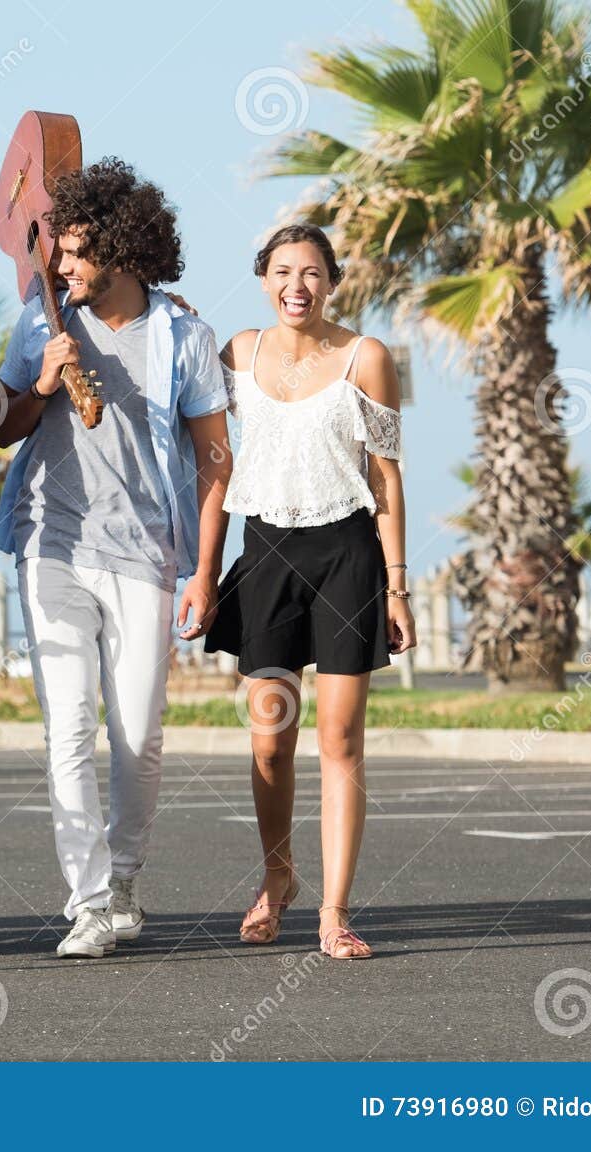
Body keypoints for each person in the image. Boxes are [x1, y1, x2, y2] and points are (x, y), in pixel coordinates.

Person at [0, 158, 233, 959]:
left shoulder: (185, 338)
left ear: (127, 249)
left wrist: (202, 568)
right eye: (57, 252)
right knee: (69, 728)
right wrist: (41, 387)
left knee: (139, 735)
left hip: (145, 556)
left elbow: (214, 461)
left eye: (77, 253)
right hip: (51, 543)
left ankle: (123, 875)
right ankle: (89, 899)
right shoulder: (42, 323)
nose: (61, 267)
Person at [205, 222, 415, 960]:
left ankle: (334, 912)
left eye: (314, 273)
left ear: (333, 281)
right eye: (284, 271)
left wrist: (397, 586)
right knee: (270, 741)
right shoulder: (237, 353)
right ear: (264, 278)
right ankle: (278, 877)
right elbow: (213, 455)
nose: (299, 285)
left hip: (348, 555)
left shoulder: (368, 357)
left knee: (341, 739)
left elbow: (386, 476)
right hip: (264, 551)